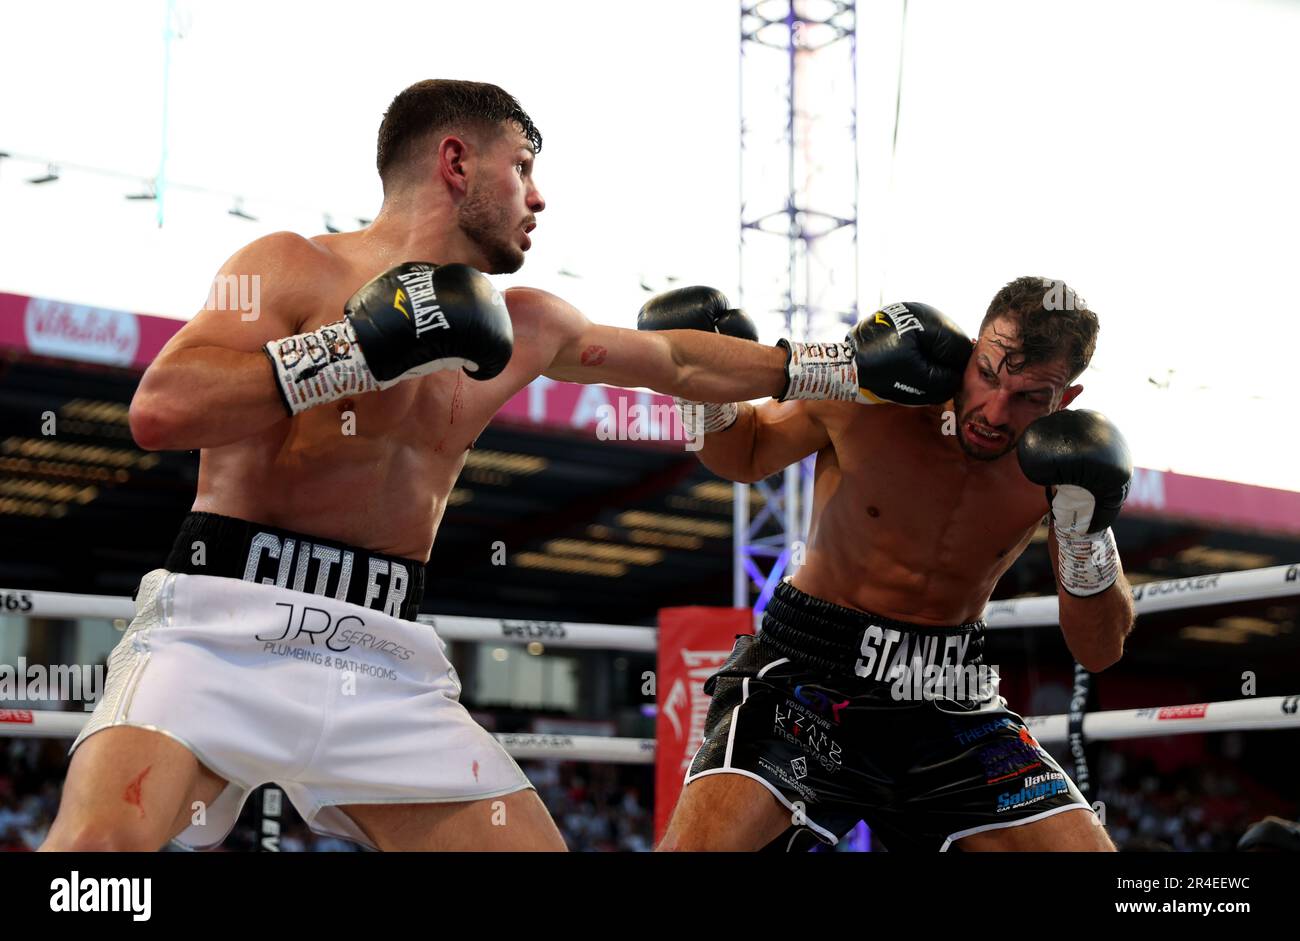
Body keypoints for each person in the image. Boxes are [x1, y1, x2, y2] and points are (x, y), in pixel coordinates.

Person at [39, 79, 791, 853]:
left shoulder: (526, 324)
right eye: (523, 167)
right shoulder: (289, 267)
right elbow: (161, 410)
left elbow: (672, 358)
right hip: (218, 630)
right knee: (96, 851)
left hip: (385, 662)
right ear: (456, 162)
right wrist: (353, 354)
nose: (538, 198)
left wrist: (831, 370)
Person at [649, 278, 1135, 851]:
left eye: (1031, 397)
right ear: (972, 348)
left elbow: (1099, 649)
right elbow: (744, 453)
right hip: (809, 674)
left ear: (1066, 400)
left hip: (953, 694)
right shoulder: (877, 393)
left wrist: (1086, 535)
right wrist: (701, 395)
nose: (996, 412)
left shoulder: (1062, 467)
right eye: (988, 374)